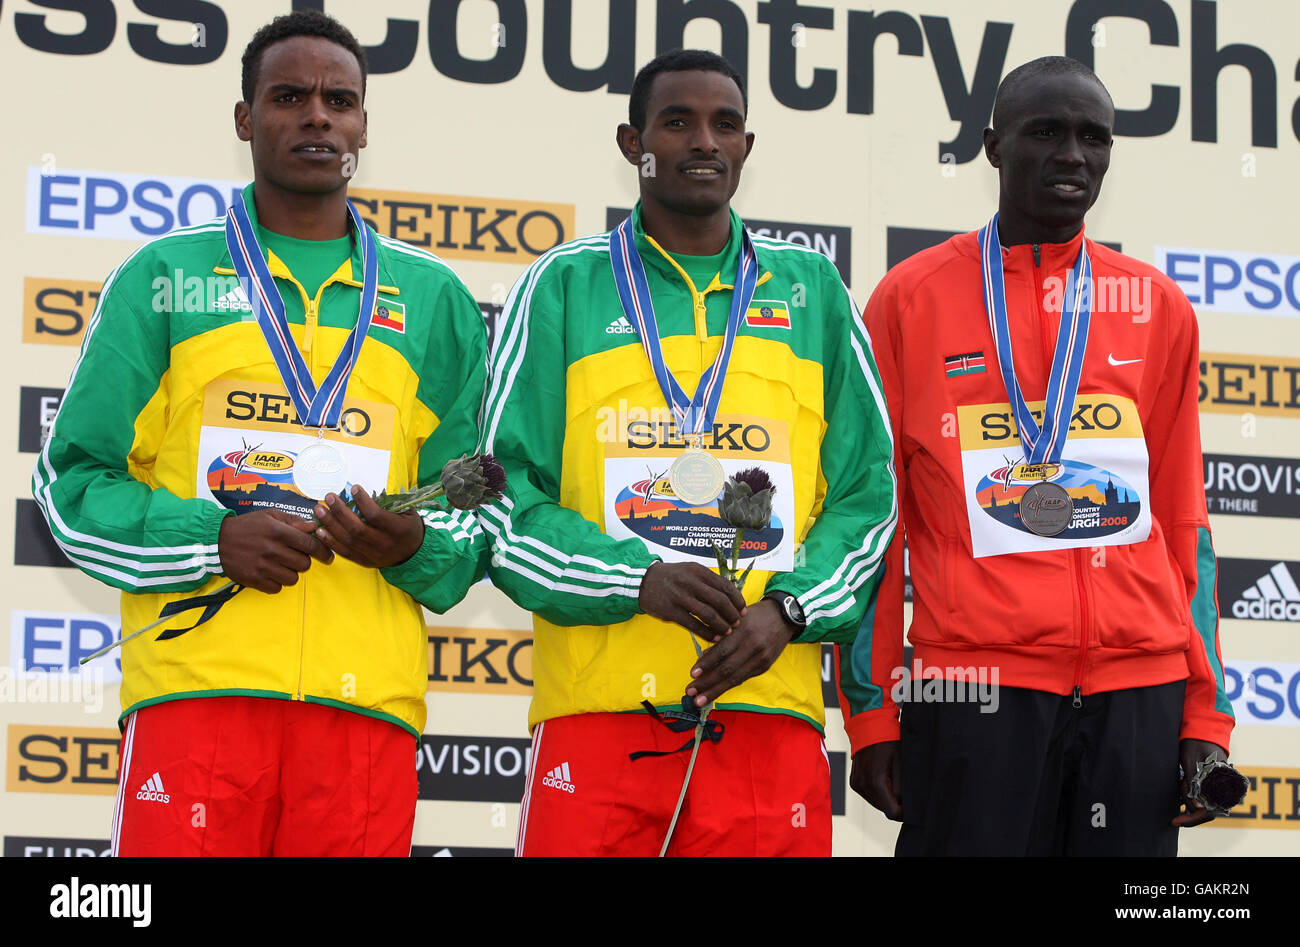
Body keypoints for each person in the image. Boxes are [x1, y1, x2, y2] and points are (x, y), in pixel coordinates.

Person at [32, 11, 488, 856]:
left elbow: (474, 518)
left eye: (339, 100)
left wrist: (411, 543)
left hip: (364, 710)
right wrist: (212, 539)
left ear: (362, 124)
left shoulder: (434, 301)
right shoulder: (165, 278)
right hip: (197, 698)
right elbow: (71, 482)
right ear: (245, 119)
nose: (317, 116)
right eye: (289, 97)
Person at [478, 48, 896, 857]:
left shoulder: (814, 291)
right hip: (598, 713)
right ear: (633, 141)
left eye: (725, 124)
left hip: (768, 713)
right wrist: (633, 580)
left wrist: (790, 611)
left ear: (746, 146)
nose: (703, 141)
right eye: (677, 122)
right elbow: (502, 494)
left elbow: (867, 497)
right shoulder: (562, 285)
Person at [839, 56, 1234, 856]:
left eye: (1095, 137)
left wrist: (1204, 711)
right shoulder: (910, 299)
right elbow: (876, 522)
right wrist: (874, 711)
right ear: (993, 145)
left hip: (1139, 691)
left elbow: (1183, 520)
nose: (1073, 156)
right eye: (1046, 132)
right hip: (975, 688)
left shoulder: (1155, 306)